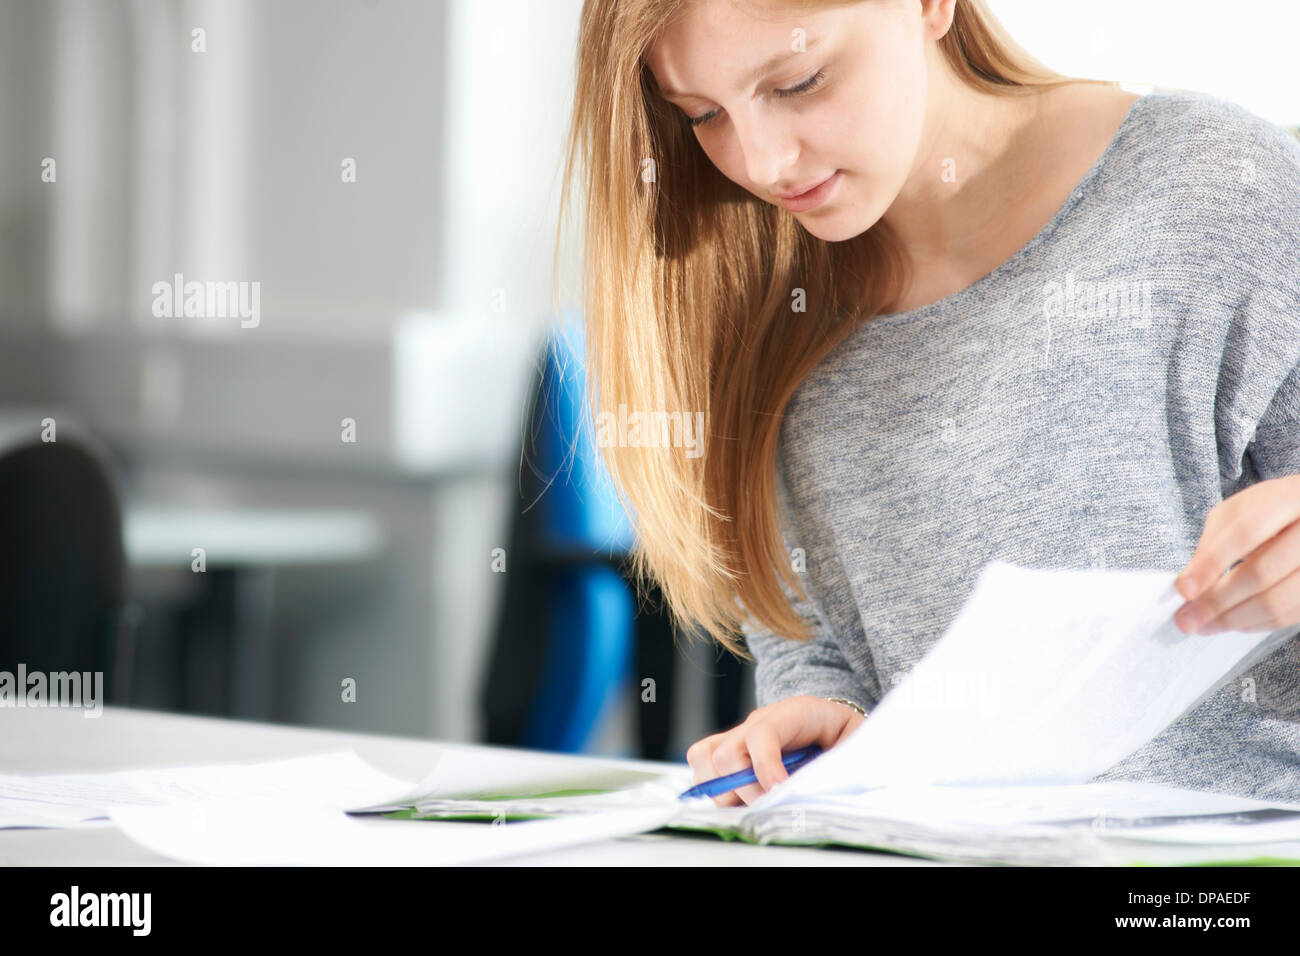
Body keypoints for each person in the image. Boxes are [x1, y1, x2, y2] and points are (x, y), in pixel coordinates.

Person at [555, 0, 1300, 806]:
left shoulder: (1218, 191)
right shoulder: (768, 302)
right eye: (703, 114)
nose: (765, 162)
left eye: (800, 81)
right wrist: (824, 716)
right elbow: (816, 641)